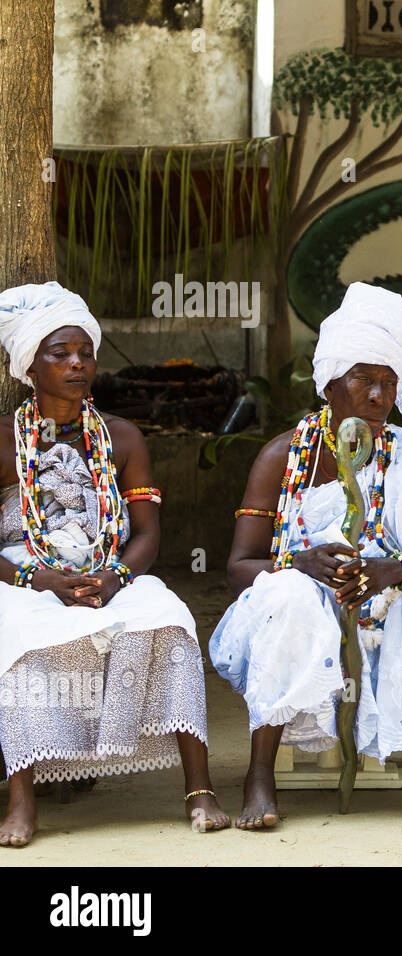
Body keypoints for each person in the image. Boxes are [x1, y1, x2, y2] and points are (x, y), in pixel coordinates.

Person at [210, 282, 402, 829]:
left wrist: (393, 570)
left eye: (388, 382)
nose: (378, 396)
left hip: (393, 604)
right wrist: (299, 564)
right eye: (363, 380)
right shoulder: (281, 457)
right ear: (328, 385)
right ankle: (259, 775)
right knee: (286, 593)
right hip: (306, 609)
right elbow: (238, 568)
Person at [0, 281, 227, 846]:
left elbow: (148, 535)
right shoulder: (2, 441)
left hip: (111, 574)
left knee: (170, 618)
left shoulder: (122, 437)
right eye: (60, 354)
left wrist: (116, 576)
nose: (78, 364)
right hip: (23, 578)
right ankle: (22, 800)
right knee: (16, 630)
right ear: (30, 366)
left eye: (85, 353)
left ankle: (200, 789)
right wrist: (39, 578)